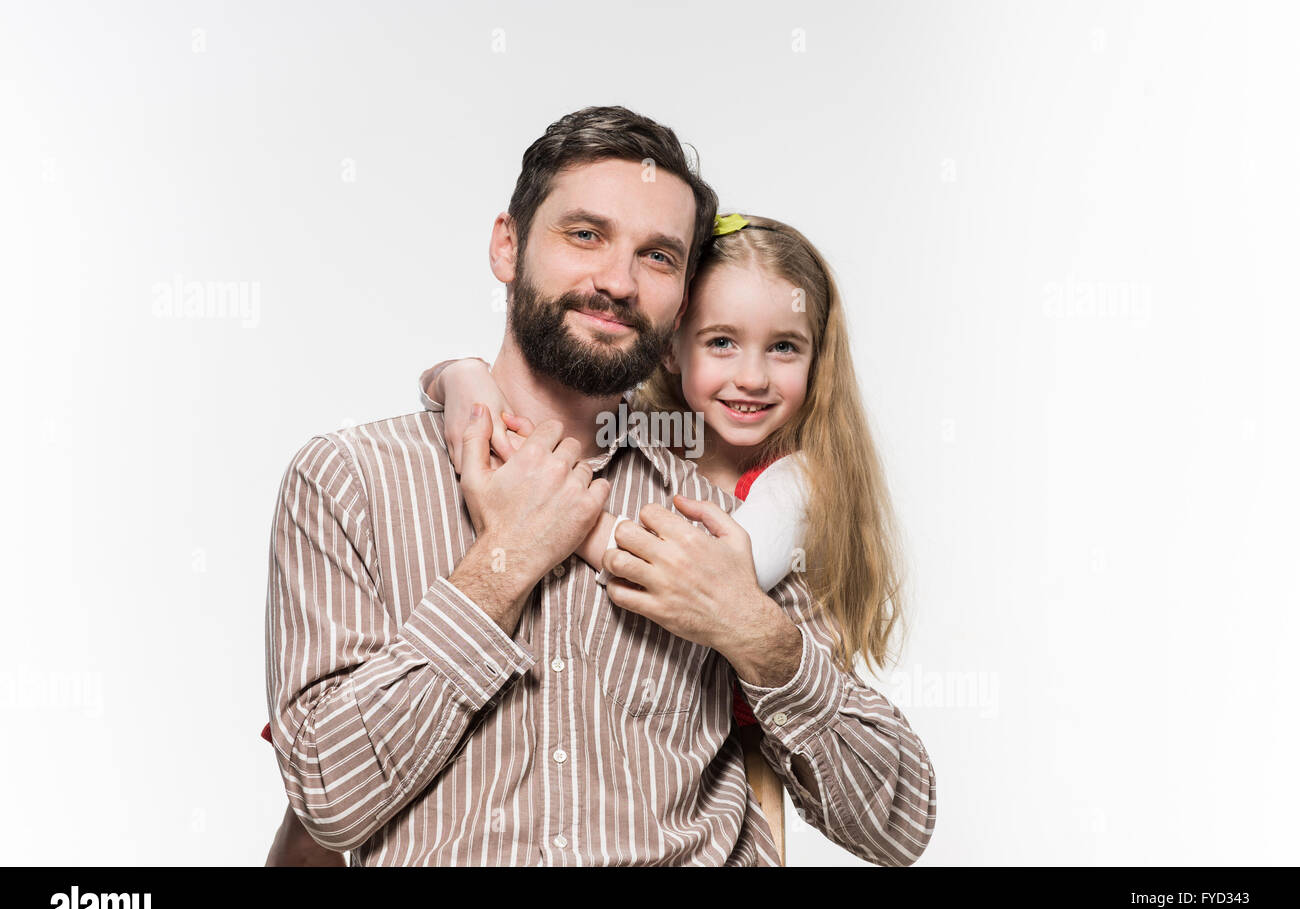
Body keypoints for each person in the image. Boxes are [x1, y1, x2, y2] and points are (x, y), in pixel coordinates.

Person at [262, 105, 937, 866]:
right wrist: (504, 564)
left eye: (657, 257)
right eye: (585, 234)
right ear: (507, 246)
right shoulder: (348, 481)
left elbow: (898, 823)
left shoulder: (718, 523)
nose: (617, 281)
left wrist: (751, 630)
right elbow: (328, 796)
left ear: (682, 298)